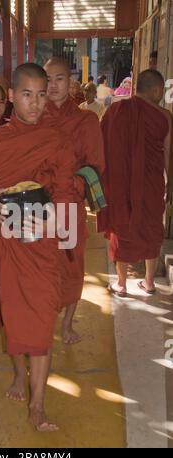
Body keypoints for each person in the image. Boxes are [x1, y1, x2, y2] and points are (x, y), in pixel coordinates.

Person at [0, 63, 75, 432]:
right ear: (11, 97)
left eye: (42, 95)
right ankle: (18, 374)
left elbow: (68, 190)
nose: (36, 103)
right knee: (14, 317)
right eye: (27, 94)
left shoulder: (57, 140)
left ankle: (38, 404)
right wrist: (1, 198)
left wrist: (57, 221)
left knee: (40, 323)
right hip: (8, 239)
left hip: (43, 243)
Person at [44, 56, 105, 345]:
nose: (53, 85)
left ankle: (67, 323)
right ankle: (41, 318)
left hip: (69, 204)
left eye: (59, 78)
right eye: (48, 79)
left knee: (72, 263)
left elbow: (95, 165)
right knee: (40, 264)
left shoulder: (85, 120)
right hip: (38, 205)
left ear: (70, 83)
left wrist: (71, 187)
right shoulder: (33, 117)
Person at [98, 69, 172, 297]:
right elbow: (169, 156)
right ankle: (149, 282)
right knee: (151, 228)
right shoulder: (165, 117)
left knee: (122, 228)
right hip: (151, 185)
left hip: (121, 187)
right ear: (157, 90)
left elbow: (102, 149)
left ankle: (121, 284)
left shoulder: (115, 111)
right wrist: (170, 185)